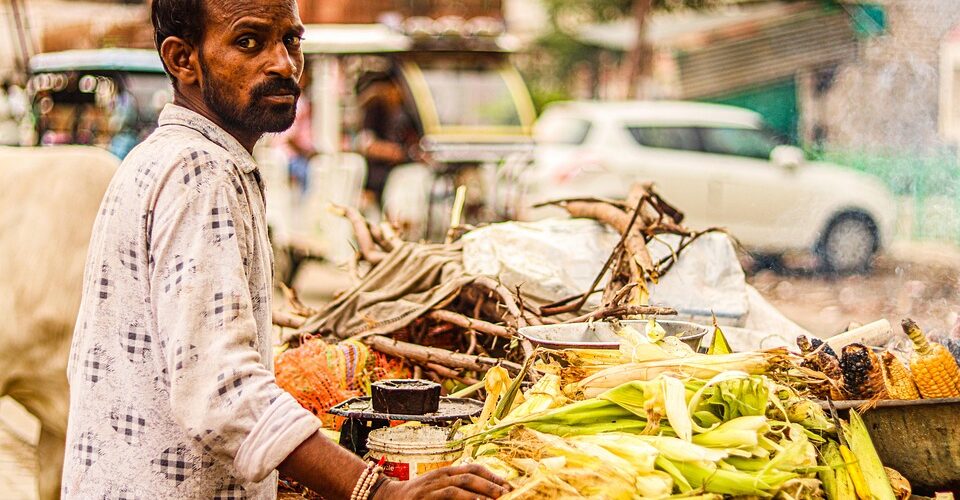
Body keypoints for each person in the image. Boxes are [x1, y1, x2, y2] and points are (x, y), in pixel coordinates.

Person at [60, 1, 510, 499]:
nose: (283, 64)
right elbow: (222, 392)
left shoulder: (169, 157)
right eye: (249, 42)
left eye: (291, 41)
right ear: (182, 59)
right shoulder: (200, 171)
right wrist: (380, 491)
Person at [357, 77, 420, 209]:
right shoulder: (374, 111)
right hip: (377, 174)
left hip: (401, 170)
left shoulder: (408, 113)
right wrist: (392, 151)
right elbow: (367, 145)